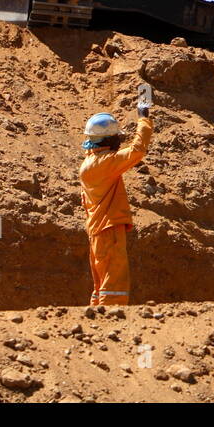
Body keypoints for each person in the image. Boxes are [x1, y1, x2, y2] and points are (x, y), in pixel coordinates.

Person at [78, 104, 153, 305]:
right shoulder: (105, 164)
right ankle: (112, 319)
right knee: (114, 282)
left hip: (97, 231)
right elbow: (138, 150)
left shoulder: (90, 163)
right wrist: (143, 119)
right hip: (108, 229)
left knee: (101, 282)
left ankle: (97, 321)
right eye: (116, 138)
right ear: (107, 140)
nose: (119, 142)